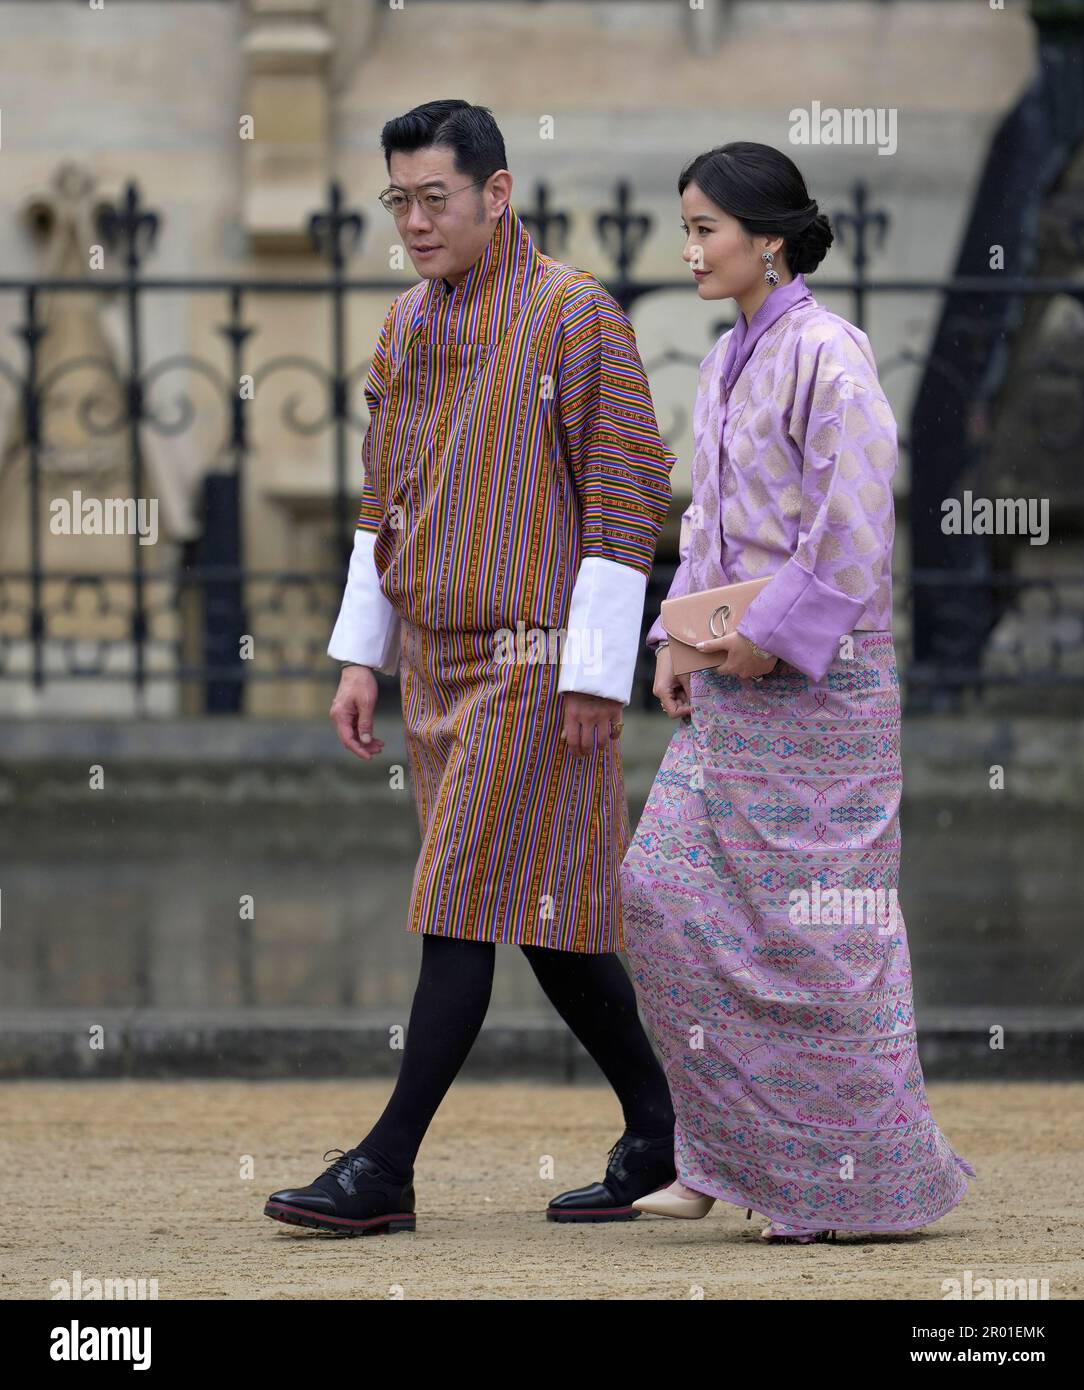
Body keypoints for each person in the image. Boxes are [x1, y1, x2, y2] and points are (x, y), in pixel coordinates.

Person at [265, 100, 679, 1236]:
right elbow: (379, 501)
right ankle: (660, 1126)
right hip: (437, 665)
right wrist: (363, 658)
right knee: (543, 914)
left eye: (434, 196)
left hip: (538, 661)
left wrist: (599, 673)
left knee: (457, 897)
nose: (413, 219)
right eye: (399, 198)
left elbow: (629, 492)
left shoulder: (576, 313)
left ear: (497, 194)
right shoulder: (403, 324)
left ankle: (385, 1166)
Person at [622, 141, 977, 1242]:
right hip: (737, 684)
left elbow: (858, 528)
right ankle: (719, 1148)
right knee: (661, 896)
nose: (688, 250)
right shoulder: (728, 357)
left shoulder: (831, 351)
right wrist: (678, 636)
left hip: (823, 696)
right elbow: (706, 520)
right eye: (684, 229)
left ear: (765, 237)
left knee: (820, 941)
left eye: (705, 229)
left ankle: (850, 1186)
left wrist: (768, 641)